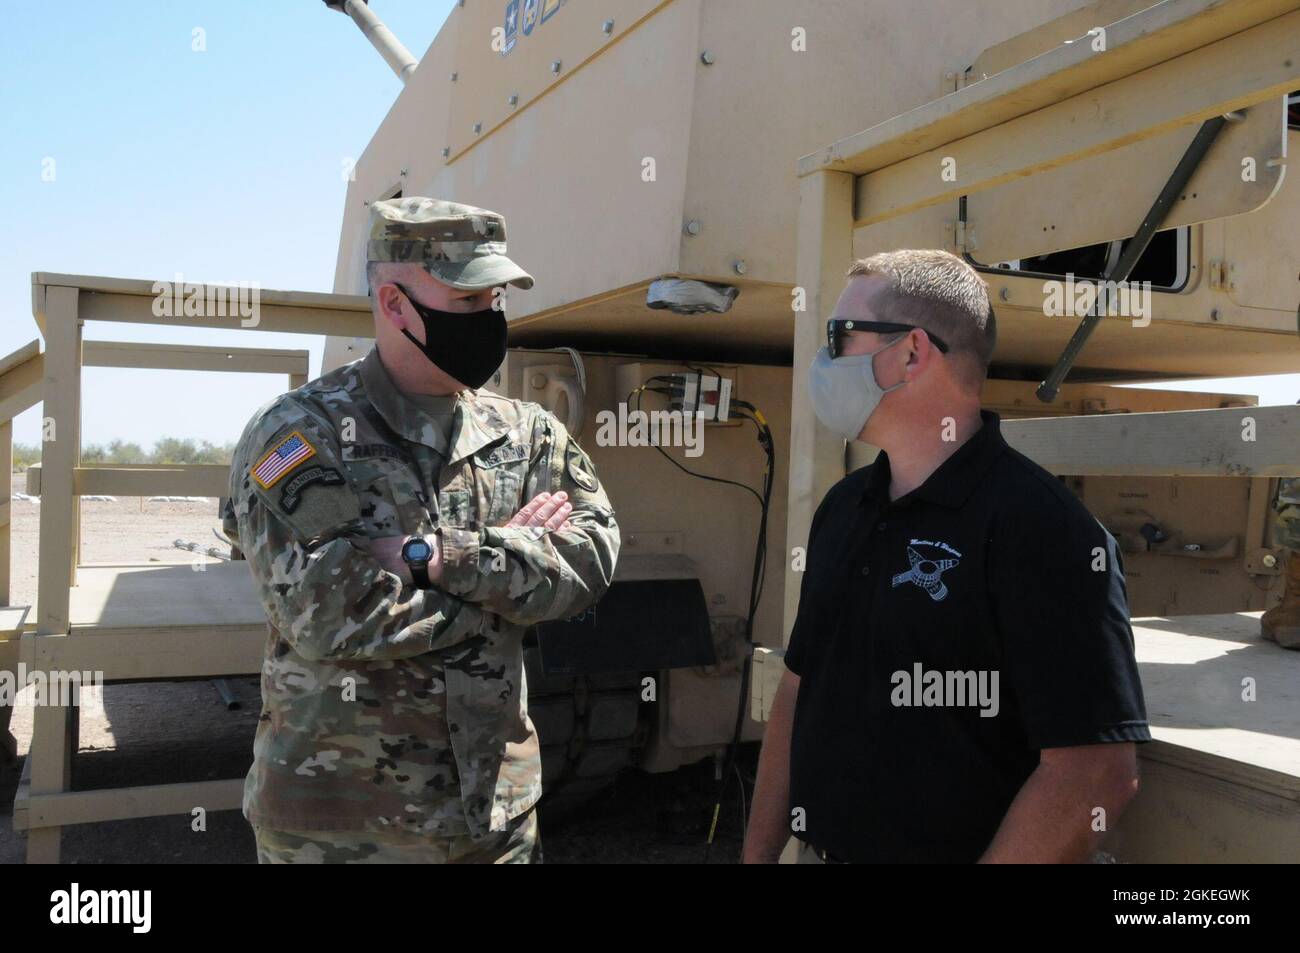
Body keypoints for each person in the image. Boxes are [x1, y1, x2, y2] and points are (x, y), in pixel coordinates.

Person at [226, 196, 620, 863]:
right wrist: (511, 582)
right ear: (393, 302)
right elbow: (329, 610)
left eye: (496, 299)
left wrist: (439, 557)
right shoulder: (301, 433)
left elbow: (590, 561)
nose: (488, 318)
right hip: (339, 833)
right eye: (467, 300)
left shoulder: (527, 433)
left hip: (492, 827)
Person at [743, 249, 1149, 864]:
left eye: (840, 336)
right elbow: (800, 689)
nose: (824, 359)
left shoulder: (1043, 529)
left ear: (911, 352)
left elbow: (1095, 772)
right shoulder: (845, 506)